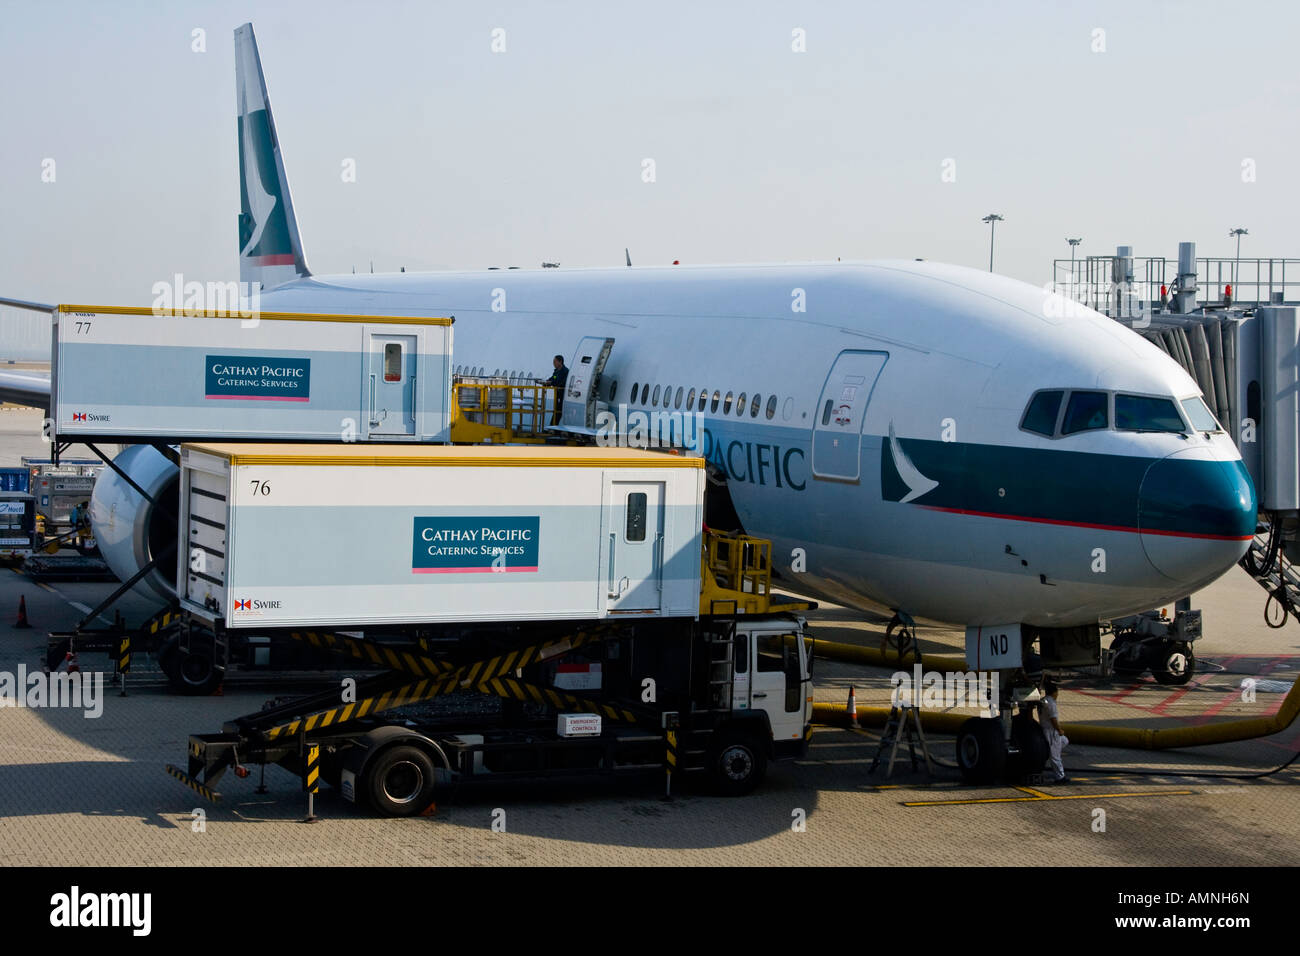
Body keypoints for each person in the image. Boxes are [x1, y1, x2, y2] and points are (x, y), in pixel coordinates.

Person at [1040, 678, 1069, 783]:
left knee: (1064, 741)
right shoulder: (1051, 703)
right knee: (1055, 755)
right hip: (1051, 731)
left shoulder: (1044, 700)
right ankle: (1060, 776)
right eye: (1057, 692)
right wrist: (1059, 730)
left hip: (1044, 729)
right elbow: (1053, 719)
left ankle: (1048, 753)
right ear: (1054, 692)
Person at [540, 354, 568, 425]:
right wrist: (547, 381)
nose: (553, 363)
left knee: (558, 410)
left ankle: (553, 426)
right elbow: (553, 378)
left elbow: (559, 381)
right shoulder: (557, 371)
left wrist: (551, 382)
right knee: (556, 410)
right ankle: (552, 426)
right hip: (557, 394)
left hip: (562, 395)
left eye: (555, 362)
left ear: (560, 362)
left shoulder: (565, 371)